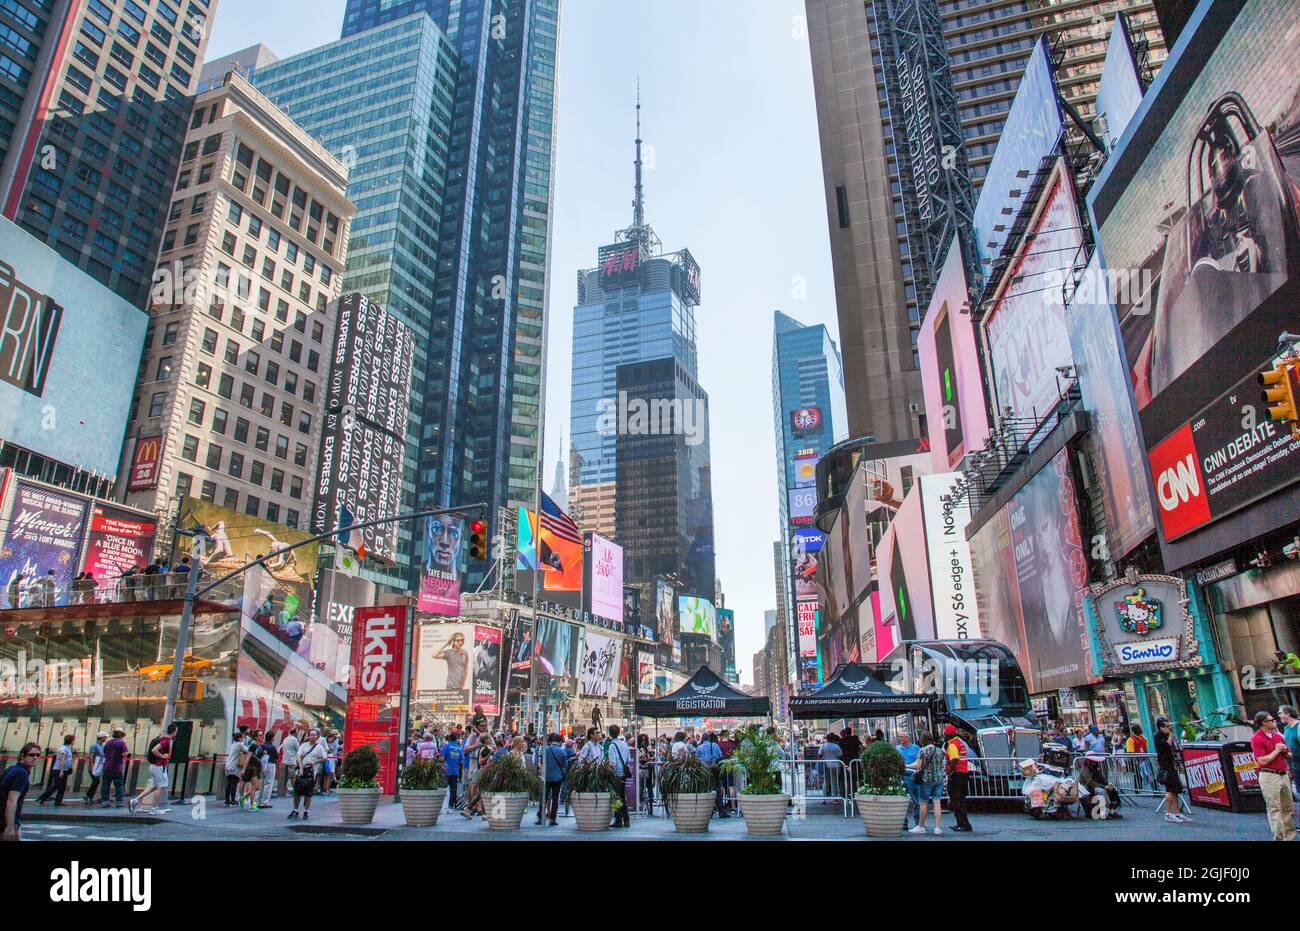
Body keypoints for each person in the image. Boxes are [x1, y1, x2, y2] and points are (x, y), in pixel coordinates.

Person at [1251, 710, 1295, 841]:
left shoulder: (1278, 736)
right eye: (1271, 720)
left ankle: (1290, 837)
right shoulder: (1257, 738)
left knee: (1288, 808)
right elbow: (1262, 760)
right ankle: (1279, 838)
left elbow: (1289, 754)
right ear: (1263, 723)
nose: (1274, 722)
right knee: (1274, 808)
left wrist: (1284, 752)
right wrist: (1276, 751)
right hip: (1269, 775)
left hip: (1283, 773)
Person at [129, 722, 176, 814]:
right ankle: (155, 808)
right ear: (174, 732)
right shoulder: (166, 740)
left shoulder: (163, 739)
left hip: (155, 766)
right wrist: (163, 756)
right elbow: (154, 750)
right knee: (161, 786)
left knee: (154, 786)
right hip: (159, 766)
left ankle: (135, 800)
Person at [907, 732, 946, 835]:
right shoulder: (940, 751)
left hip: (926, 780)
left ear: (923, 739)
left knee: (923, 803)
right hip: (938, 779)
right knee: (937, 802)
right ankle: (937, 828)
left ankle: (921, 826)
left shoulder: (922, 750)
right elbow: (942, 765)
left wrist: (907, 765)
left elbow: (918, 766)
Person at [1154, 716, 1189, 824]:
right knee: (1169, 790)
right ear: (1161, 727)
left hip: (1172, 764)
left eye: (1169, 726)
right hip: (1165, 766)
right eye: (1166, 726)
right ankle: (1168, 814)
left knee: (1175, 790)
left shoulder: (1165, 735)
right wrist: (1170, 734)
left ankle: (1177, 813)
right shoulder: (1158, 737)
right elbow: (1168, 744)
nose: (1168, 728)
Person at [2, 743, 41, 841]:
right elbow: (11, 801)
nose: (35, 758)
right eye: (31, 755)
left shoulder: (11, 769)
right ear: (22, 755)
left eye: (37, 755)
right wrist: (10, 827)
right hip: (6, 820)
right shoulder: (21, 774)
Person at [289, 728, 326, 819]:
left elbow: (324, 758)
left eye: (315, 735)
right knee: (297, 791)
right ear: (308, 736)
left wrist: (315, 762)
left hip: (311, 773)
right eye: (311, 734)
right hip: (301, 772)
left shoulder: (319, 747)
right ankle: (296, 810)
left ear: (317, 736)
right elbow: (298, 755)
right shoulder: (303, 746)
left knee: (308, 793)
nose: (313, 736)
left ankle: (306, 811)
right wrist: (300, 766)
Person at [943, 724, 973, 832]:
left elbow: (954, 759)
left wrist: (950, 771)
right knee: (961, 799)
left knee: (957, 800)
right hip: (964, 773)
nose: (944, 736)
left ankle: (962, 824)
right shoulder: (960, 743)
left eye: (945, 734)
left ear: (948, 735)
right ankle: (964, 823)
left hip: (957, 774)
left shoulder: (952, 745)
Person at [603, 725, 632, 828]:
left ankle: (618, 820)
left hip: (616, 775)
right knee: (622, 797)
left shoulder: (612, 746)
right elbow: (629, 760)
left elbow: (613, 763)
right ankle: (626, 819)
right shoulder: (624, 744)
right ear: (619, 732)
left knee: (616, 798)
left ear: (610, 734)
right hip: (624, 775)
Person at [37, 734, 76, 806]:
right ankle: (42, 798)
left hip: (65, 769)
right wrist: (61, 771)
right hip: (59, 770)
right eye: (73, 740)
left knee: (62, 787)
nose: (74, 741)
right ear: (71, 741)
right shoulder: (63, 749)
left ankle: (58, 802)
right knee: (57, 785)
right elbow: (62, 759)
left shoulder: (68, 748)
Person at [538, 733, 568, 826]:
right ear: (560, 742)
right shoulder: (562, 752)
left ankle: (540, 818)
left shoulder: (545, 750)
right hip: (557, 778)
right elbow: (565, 766)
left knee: (543, 797)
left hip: (546, 777)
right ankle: (552, 819)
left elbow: (542, 763)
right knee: (555, 798)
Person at [895, 731, 922, 829]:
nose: (900, 738)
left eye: (902, 736)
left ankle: (918, 822)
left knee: (916, 799)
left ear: (907, 738)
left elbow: (919, 761)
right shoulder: (897, 748)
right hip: (901, 775)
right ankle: (903, 823)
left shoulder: (916, 748)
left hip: (912, 776)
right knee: (901, 799)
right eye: (899, 737)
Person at [695, 731, 725, 817]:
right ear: (709, 738)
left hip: (705, 772)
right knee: (718, 791)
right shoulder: (715, 745)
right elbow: (720, 756)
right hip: (715, 770)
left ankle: (709, 812)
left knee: (707, 790)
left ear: (702, 739)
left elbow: (698, 761)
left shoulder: (699, 748)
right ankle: (721, 812)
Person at [100, 730, 129, 808]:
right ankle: (119, 802)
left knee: (105, 785)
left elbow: (104, 753)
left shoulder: (108, 742)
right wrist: (126, 753)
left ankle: (105, 801)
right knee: (119, 785)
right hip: (117, 767)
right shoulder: (121, 743)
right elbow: (124, 753)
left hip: (106, 767)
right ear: (120, 735)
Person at [239, 730, 264, 811]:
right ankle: (252, 805)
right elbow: (248, 756)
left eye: (262, 735)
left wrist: (263, 754)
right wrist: (243, 769)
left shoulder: (259, 745)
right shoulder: (253, 744)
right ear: (256, 737)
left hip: (258, 766)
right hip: (252, 767)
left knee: (257, 787)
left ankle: (243, 798)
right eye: (260, 735)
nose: (261, 736)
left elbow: (259, 756)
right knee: (254, 786)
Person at [1280, 706, 1300, 797]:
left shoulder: (1298, 726)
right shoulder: (1286, 728)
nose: (1279, 716)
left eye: (1281, 713)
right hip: (1294, 766)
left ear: (1288, 714)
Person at [442, 731, 464, 812]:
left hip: (446, 770)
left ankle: (440, 806)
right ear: (457, 739)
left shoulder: (447, 746)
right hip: (455, 772)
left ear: (449, 738)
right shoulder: (459, 748)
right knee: (453, 789)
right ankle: (450, 807)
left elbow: (441, 758)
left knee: (442, 789)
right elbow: (461, 761)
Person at [84, 731, 108, 805]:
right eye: (105, 737)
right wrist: (91, 767)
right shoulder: (94, 746)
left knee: (96, 782)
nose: (106, 738)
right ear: (101, 737)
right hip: (94, 766)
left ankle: (89, 797)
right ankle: (88, 796)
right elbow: (91, 757)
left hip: (99, 766)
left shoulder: (102, 746)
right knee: (96, 781)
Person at [820, 731, 843, 803]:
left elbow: (820, 754)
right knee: (835, 781)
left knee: (826, 781)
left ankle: (824, 798)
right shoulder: (836, 746)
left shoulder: (823, 746)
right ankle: (835, 798)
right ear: (833, 739)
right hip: (836, 765)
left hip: (826, 764)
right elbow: (840, 755)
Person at [257, 732, 278, 808]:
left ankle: (259, 801)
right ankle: (265, 802)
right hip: (270, 764)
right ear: (272, 738)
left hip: (263, 764)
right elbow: (276, 756)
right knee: (269, 783)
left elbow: (258, 754)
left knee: (262, 782)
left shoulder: (262, 746)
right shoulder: (272, 747)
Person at [223, 732, 244, 806]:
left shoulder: (233, 744)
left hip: (228, 765)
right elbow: (247, 750)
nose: (243, 739)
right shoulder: (240, 744)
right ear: (239, 738)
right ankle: (233, 800)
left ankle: (227, 800)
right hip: (234, 766)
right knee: (234, 783)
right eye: (242, 737)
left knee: (229, 783)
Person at [279, 727, 301, 797]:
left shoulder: (286, 738)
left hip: (284, 760)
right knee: (293, 777)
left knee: (284, 778)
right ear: (295, 732)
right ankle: (296, 791)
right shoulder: (294, 740)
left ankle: (282, 792)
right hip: (291, 761)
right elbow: (299, 749)